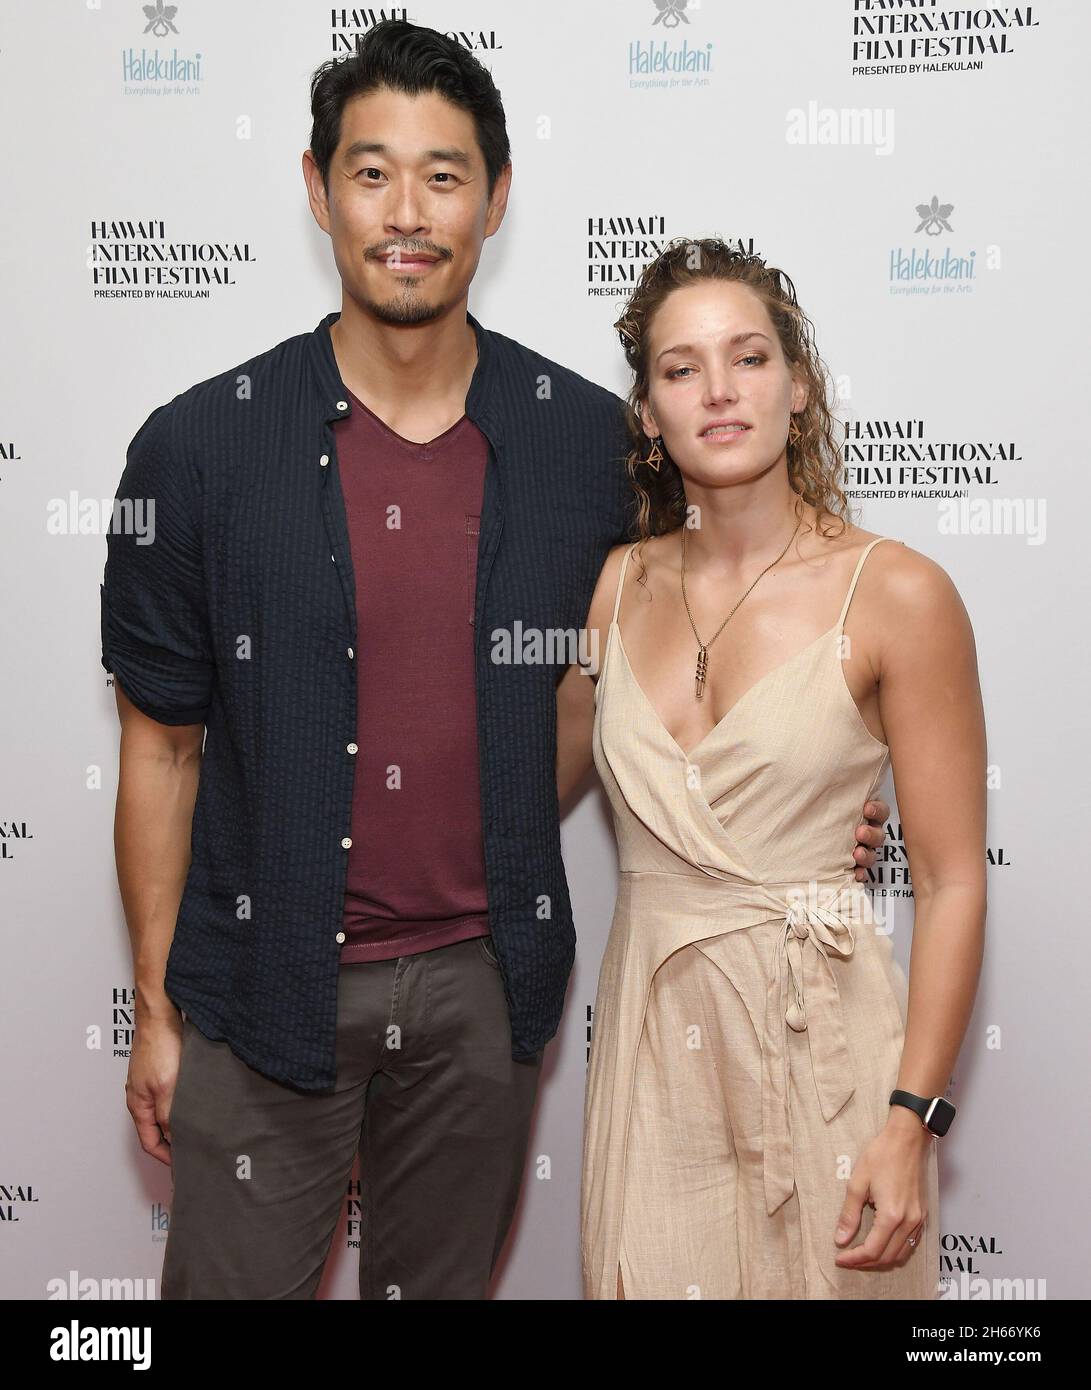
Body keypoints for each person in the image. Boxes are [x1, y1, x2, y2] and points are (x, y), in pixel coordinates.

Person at [101, 22, 893, 1299]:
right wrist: (156, 1004)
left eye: (444, 174)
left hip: (484, 994)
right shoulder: (197, 449)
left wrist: (794, 800)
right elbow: (160, 746)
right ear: (315, 188)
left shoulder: (589, 446)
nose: (407, 211)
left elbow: (712, 629)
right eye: (370, 172)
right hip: (253, 994)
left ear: (496, 198)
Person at [572, 238, 987, 1300]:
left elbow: (947, 881)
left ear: (797, 387)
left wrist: (911, 1123)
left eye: (747, 358)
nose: (717, 390)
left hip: (821, 1041)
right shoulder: (615, 585)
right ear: (649, 416)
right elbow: (532, 782)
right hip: (651, 1048)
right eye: (679, 368)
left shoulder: (893, 592)